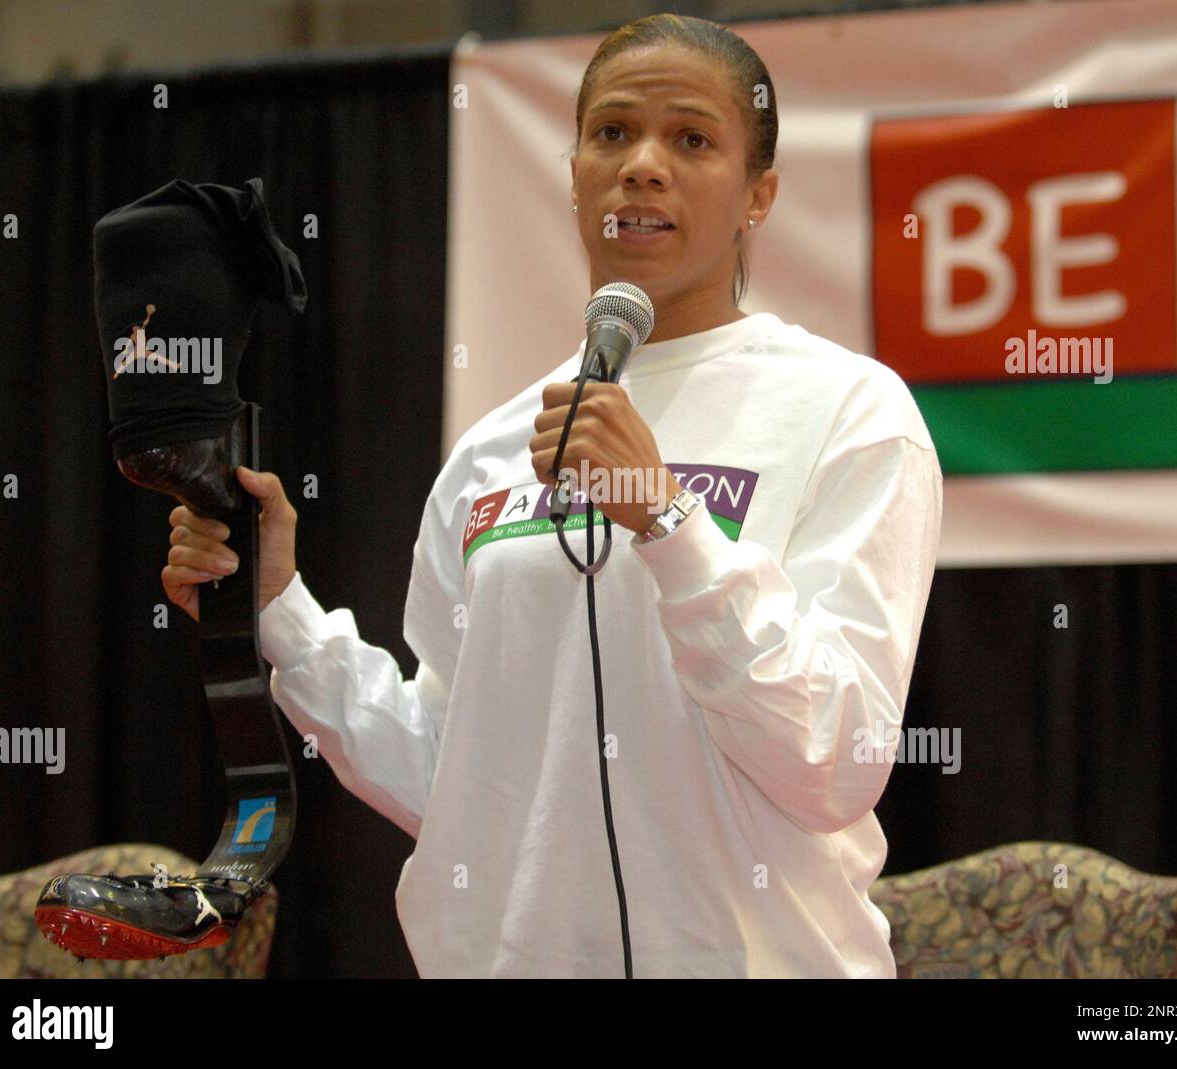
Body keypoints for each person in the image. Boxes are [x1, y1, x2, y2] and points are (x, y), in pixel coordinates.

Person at [161, 14, 943, 978]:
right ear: (572, 170)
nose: (643, 166)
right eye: (611, 134)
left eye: (691, 139)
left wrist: (667, 518)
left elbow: (834, 760)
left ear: (759, 195)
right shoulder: (495, 449)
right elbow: (456, 772)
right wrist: (278, 606)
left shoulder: (848, 411)